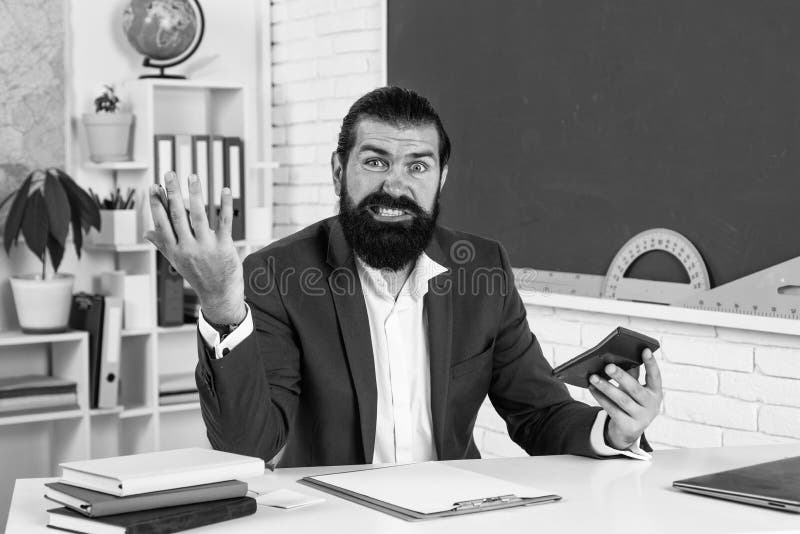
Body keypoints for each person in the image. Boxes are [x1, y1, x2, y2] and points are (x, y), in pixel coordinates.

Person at [145, 87, 662, 467]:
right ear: (337, 170)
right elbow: (246, 447)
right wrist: (220, 302)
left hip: (456, 514)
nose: (395, 184)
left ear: (441, 178)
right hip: (335, 520)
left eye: (418, 166)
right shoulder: (277, 274)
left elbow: (539, 412)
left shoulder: (483, 269)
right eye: (375, 161)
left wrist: (613, 432)